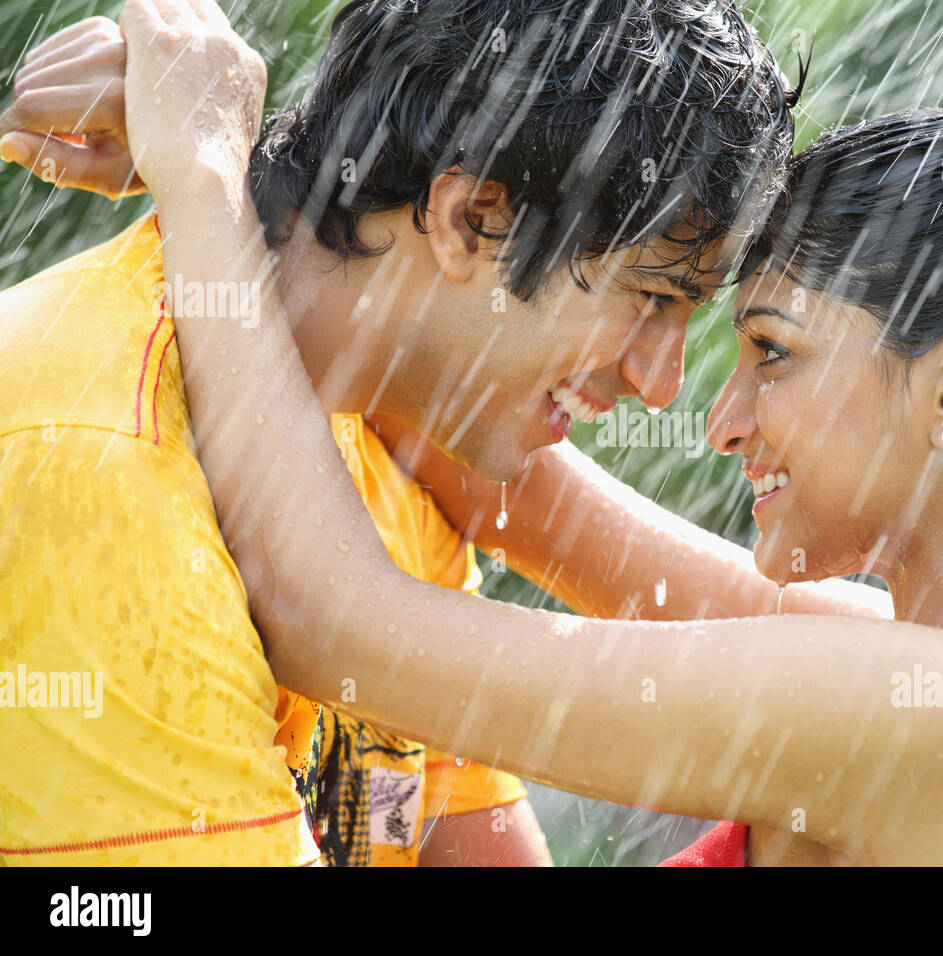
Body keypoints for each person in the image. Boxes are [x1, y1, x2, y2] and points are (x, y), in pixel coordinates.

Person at [131, 0, 943, 865]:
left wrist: (200, 171)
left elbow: (335, 623)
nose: (714, 414)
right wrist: (307, 192)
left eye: (773, 351)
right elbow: (503, 479)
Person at [0, 0, 839, 865]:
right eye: (651, 299)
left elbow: (348, 627)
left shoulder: (399, 444)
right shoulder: (98, 468)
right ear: (470, 218)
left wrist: (210, 164)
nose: (661, 390)